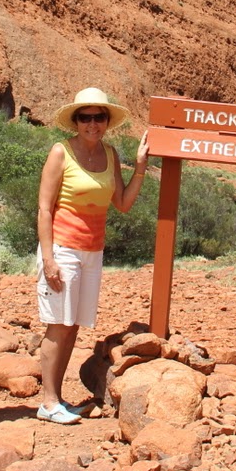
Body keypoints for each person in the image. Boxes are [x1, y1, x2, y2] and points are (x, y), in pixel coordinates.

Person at [34, 87, 150, 424]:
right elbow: (44, 209)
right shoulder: (61, 152)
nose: (93, 124)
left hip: (92, 252)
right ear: (76, 121)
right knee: (57, 326)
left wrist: (140, 167)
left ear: (106, 122)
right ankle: (48, 401)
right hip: (63, 250)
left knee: (72, 327)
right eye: (85, 117)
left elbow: (123, 204)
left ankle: (57, 400)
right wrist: (49, 259)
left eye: (99, 117)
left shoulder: (110, 154)